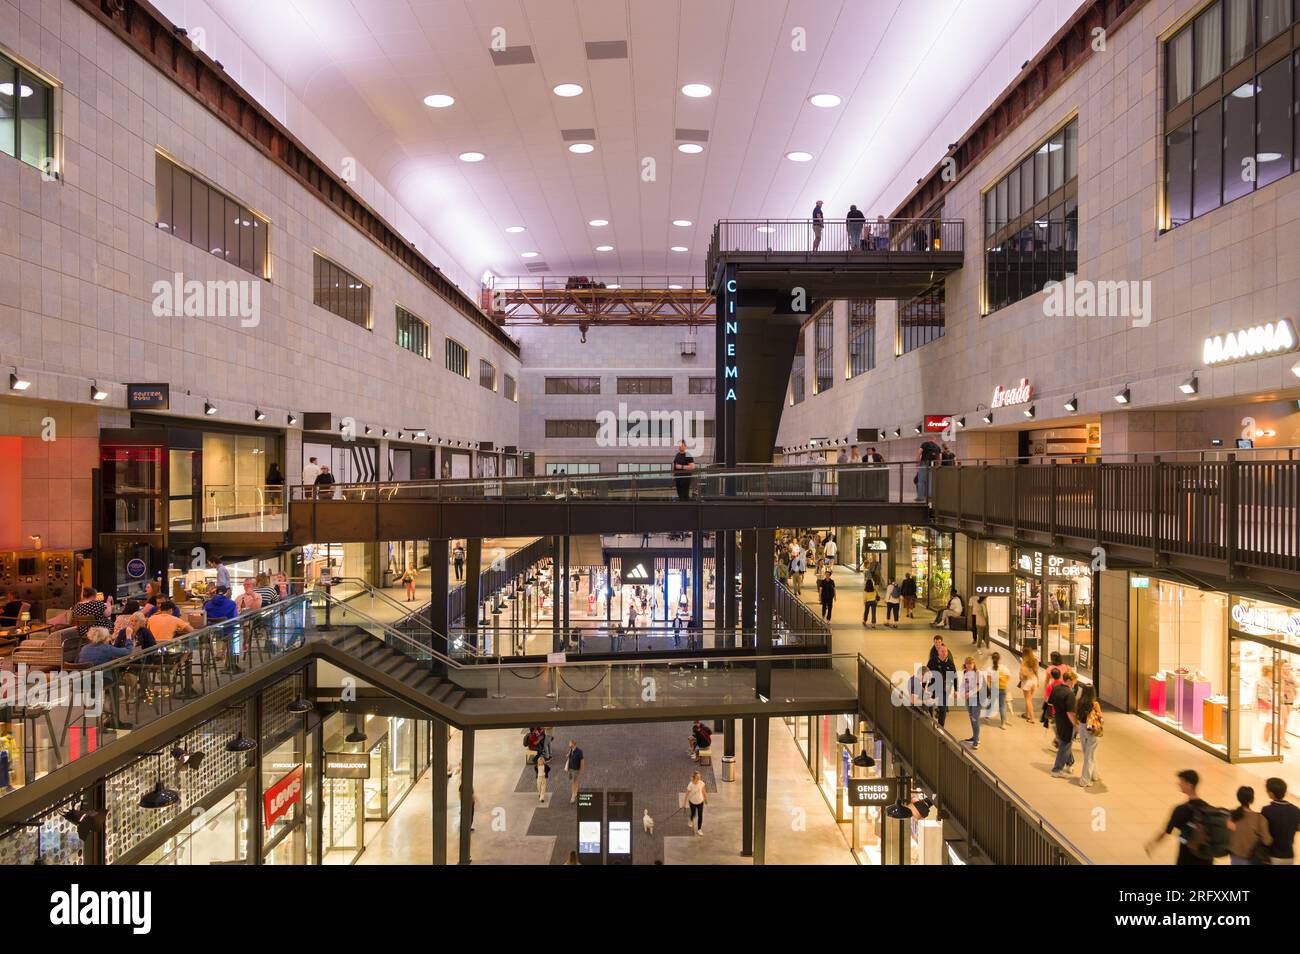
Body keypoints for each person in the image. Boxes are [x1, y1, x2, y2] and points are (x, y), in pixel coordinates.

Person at [1145, 770, 1214, 865]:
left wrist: (1152, 844)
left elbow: (1167, 831)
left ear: (1189, 785)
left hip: (1187, 856)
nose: (1178, 784)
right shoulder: (1209, 808)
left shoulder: (1181, 810)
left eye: (1182, 781)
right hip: (1206, 857)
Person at [1228, 786, 1272, 865]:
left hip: (1234, 857)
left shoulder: (1231, 815)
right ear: (1252, 799)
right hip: (1251, 859)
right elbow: (1267, 841)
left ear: (1238, 798)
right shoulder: (1259, 819)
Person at [1261, 777, 1300, 864]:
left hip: (1272, 856)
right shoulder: (1296, 810)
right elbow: (1298, 827)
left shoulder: (1267, 810)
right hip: (1289, 856)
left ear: (1271, 793)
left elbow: (1263, 832)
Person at [1048, 672, 1078, 777]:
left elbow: (1050, 702)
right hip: (1067, 724)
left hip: (1057, 719)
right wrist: (1076, 724)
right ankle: (1056, 770)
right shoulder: (1070, 694)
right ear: (1069, 680)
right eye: (1074, 681)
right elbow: (1070, 713)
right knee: (1065, 745)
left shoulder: (1056, 688)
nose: (1075, 683)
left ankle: (1069, 763)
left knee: (1064, 743)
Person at [1075, 683, 1102, 787]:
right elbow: (1100, 716)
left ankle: (1094, 774)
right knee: (1090, 756)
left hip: (1082, 728)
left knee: (1088, 753)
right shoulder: (1095, 704)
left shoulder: (1079, 702)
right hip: (1092, 730)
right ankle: (1085, 780)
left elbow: (1077, 715)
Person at [926, 642, 956, 727]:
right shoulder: (932, 661)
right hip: (933, 688)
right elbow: (925, 674)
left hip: (944, 690)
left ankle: (940, 727)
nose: (944, 653)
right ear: (938, 652)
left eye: (946, 651)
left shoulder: (950, 663)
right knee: (928, 705)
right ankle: (929, 721)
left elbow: (954, 677)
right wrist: (924, 686)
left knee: (942, 709)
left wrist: (956, 690)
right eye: (942, 651)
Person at [960, 656, 982, 749]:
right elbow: (962, 685)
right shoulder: (965, 672)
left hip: (976, 699)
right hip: (968, 698)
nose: (969, 665)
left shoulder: (977, 673)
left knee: (975, 719)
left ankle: (976, 741)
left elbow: (979, 686)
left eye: (971, 663)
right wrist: (962, 693)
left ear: (974, 664)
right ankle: (975, 736)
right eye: (967, 663)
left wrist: (969, 693)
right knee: (971, 718)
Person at [1019, 650, 1040, 722]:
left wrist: (1021, 678)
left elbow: (1022, 674)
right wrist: (1038, 681)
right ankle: (1026, 714)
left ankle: (1032, 718)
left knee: (1028, 700)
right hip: (1034, 680)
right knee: (1030, 699)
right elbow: (1037, 671)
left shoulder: (1024, 662)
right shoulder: (1035, 661)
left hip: (1027, 681)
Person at [685, 770, 707, 835]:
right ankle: (691, 820)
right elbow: (687, 794)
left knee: (700, 816)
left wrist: (705, 798)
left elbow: (703, 791)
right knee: (693, 814)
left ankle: (699, 829)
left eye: (699, 777)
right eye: (697, 777)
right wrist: (684, 803)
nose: (699, 778)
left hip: (700, 802)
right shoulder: (690, 784)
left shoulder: (701, 783)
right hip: (692, 802)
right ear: (694, 777)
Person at [564, 739, 584, 805]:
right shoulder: (571, 750)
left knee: (573, 782)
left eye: (570, 743)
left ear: (573, 744)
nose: (569, 744)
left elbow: (582, 760)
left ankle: (573, 796)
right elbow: (569, 754)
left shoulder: (579, 751)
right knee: (574, 781)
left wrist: (581, 769)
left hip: (575, 769)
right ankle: (576, 791)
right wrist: (567, 755)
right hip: (570, 768)